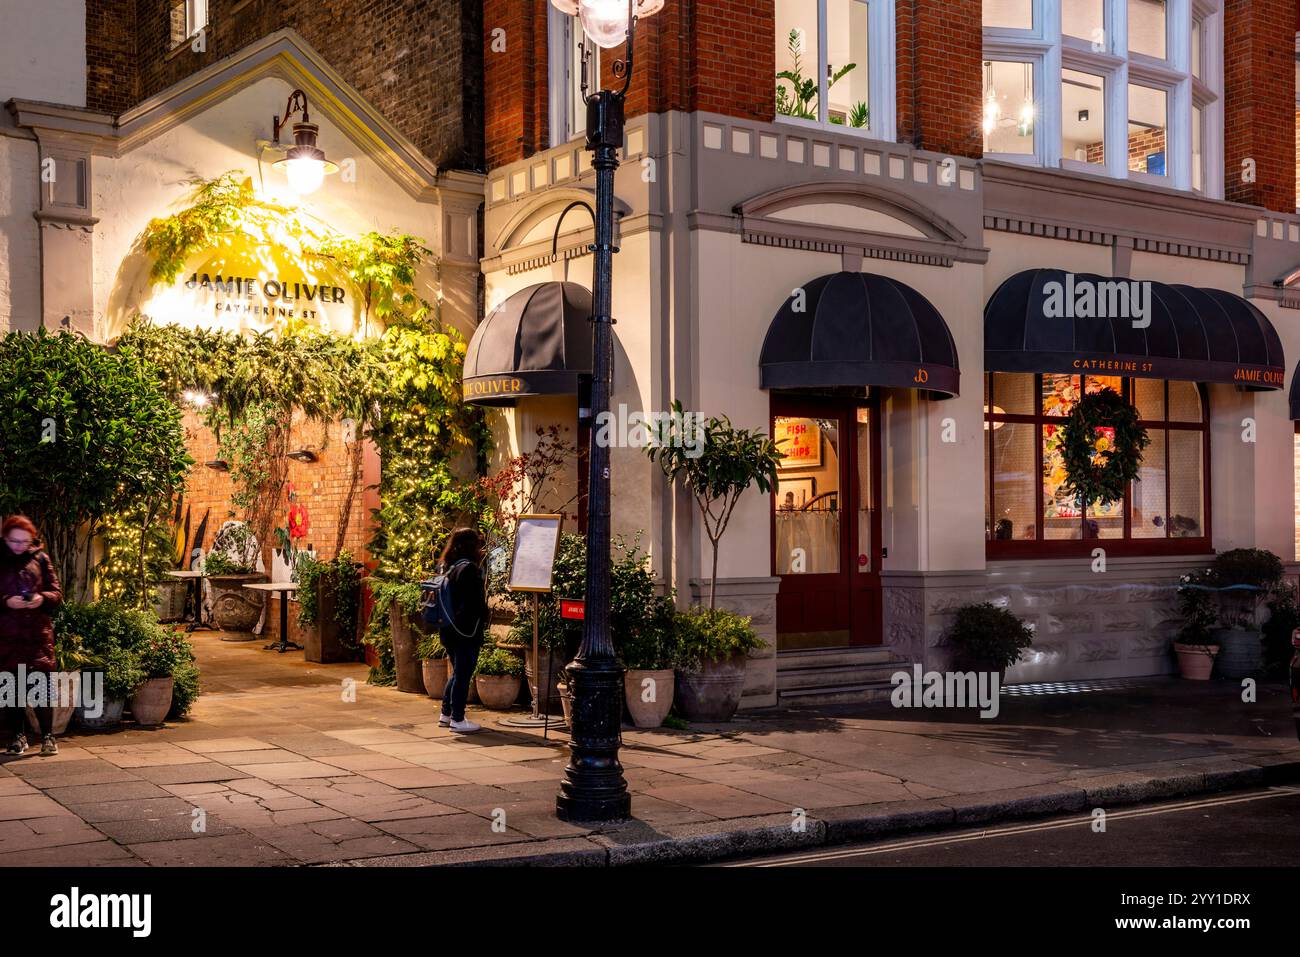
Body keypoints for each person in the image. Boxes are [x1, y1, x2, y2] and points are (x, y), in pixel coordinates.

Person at [0, 516, 62, 756]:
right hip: (6, 635)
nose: (19, 546)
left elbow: (56, 593)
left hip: (37, 634)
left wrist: (41, 598)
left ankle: (48, 736)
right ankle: (18, 736)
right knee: (10, 689)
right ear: (5, 537)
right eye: (14, 541)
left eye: (24, 541)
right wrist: (6, 602)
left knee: (41, 688)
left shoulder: (41, 558)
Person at [436, 527, 489, 734]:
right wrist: (483, 617)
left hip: (448, 628)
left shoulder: (447, 566)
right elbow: (473, 604)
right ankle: (457, 719)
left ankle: (445, 714)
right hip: (465, 631)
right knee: (463, 673)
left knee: (457, 671)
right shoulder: (468, 569)